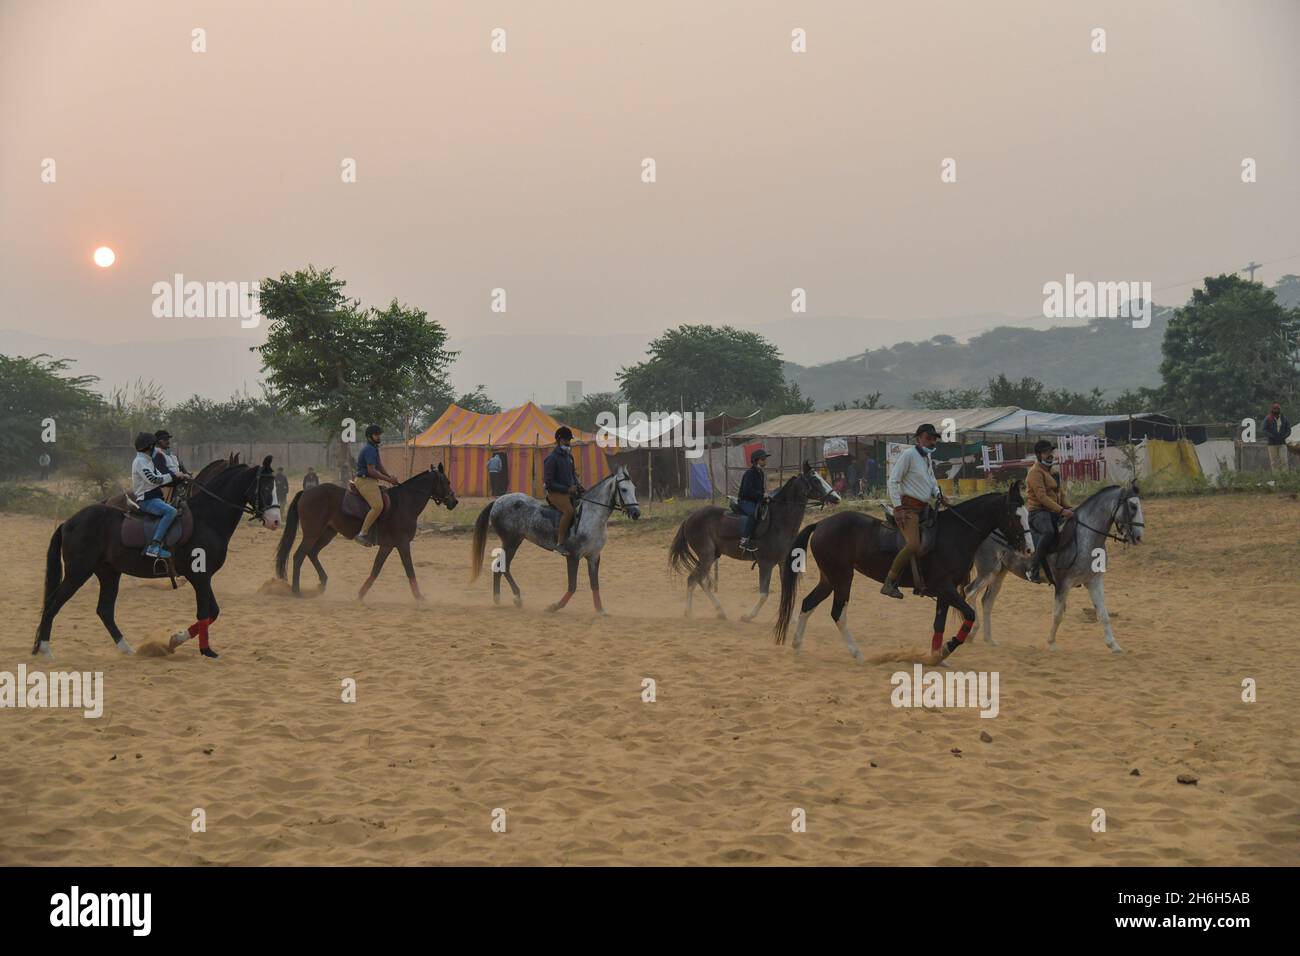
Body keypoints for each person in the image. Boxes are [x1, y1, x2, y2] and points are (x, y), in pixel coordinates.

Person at [881, 424, 943, 599]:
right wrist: (898, 508)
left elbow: (931, 480)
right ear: (918, 439)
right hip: (909, 510)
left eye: (933, 439)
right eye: (928, 438)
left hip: (924, 508)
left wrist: (938, 494)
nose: (932, 441)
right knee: (913, 545)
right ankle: (890, 582)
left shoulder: (926, 458)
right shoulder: (909, 455)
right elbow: (893, 481)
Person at [131, 431, 186, 559]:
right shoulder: (140, 461)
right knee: (171, 512)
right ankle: (154, 546)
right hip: (147, 500)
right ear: (150, 447)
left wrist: (177, 475)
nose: (156, 449)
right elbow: (153, 479)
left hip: (155, 497)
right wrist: (173, 475)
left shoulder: (147, 460)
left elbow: (159, 477)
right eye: (154, 446)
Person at [1025, 439, 1074, 584]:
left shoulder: (1052, 471)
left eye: (1051, 452)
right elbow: (1042, 497)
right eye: (1046, 452)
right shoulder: (1035, 473)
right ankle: (1033, 569)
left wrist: (1070, 508)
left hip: (1054, 511)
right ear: (1039, 455)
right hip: (1039, 513)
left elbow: (1061, 494)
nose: (1050, 455)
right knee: (1049, 532)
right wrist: (1062, 511)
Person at [354, 424, 400, 547]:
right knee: (377, 506)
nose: (379, 436)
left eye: (379, 434)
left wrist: (390, 477)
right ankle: (362, 534)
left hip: (371, 481)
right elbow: (372, 471)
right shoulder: (369, 449)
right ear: (370, 436)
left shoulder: (374, 448)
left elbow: (379, 466)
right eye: (376, 434)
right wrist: (389, 480)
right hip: (365, 481)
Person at [543, 427, 582, 556]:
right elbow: (549, 483)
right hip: (555, 494)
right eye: (566, 440)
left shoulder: (569, 457)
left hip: (569, 492)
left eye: (569, 440)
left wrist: (578, 485)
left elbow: (572, 475)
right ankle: (559, 544)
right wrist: (567, 489)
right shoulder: (551, 458)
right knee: (569, 511)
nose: (568, 443)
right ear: (559, 440)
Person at [737, 449, 770, 551]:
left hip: (755, 501)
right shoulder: (750, 473)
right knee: (753, 514)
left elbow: (760, 490)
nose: (765, 461)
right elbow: (747, 491)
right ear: (756, 461)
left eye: (765, 459)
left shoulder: (760, 473)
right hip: (745, 501)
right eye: (763, 459)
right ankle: (744, 540)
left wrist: (765, 498)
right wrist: (761, 495)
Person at [152, 429, 192, 502]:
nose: (168, 441)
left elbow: (179, 465)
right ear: (158, 441)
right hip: (169, 484)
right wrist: (182, 476)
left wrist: (186, 472)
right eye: (165, 439)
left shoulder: (170, 453)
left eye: (168, 439)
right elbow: (164, 472)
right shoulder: (157, 455)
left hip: (178, 480)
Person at [1264, 402, 1292, 472]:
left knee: (1284, 461)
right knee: (1274, 462)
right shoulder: (1268, 418)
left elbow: (1288, 429)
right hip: (1272, 443)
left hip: (1282, 443)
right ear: (1272, 410)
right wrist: (1272, 436)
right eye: (1274, 409)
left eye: (1277, 409)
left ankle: (1284, 476)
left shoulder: (1284, 418)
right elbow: (1264, 430)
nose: (1276, 410)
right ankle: (1276, 477)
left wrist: (1284, 436)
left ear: (1279, 409)